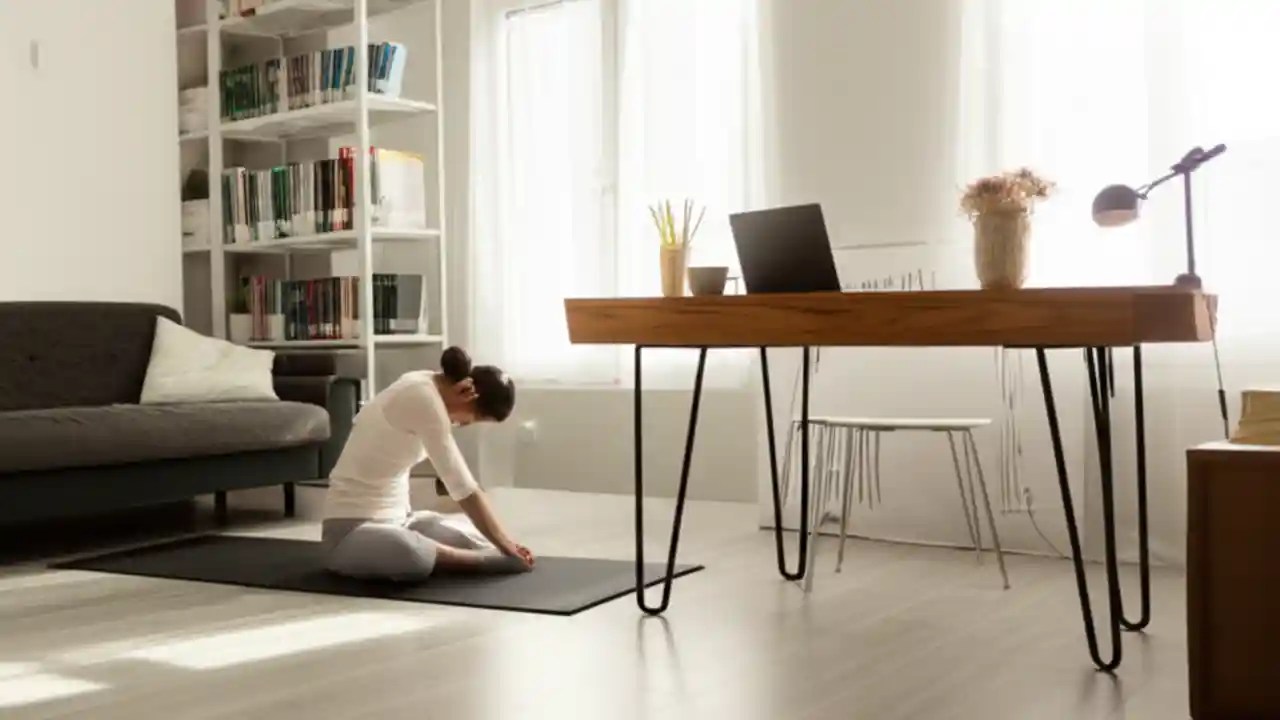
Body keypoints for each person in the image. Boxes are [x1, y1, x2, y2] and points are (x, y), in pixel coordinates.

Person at [321, 346, 533, 581]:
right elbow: (463, 488)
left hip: (401, 521)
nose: (463, 425)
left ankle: (455, 553)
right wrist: (504, 545)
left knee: (470, 536)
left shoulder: (428, 382)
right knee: (411, 554)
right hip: (351, 534)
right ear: (466, 392)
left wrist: (505, 542)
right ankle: (483, 562)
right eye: (472, 419)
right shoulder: (423, 398)